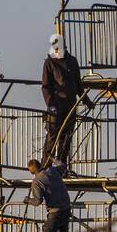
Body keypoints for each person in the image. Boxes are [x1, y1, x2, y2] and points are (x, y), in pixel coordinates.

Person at [41, 41, 93, 169]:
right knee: (52, 136)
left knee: (66, 137)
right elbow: (46, 87)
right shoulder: (50, 62)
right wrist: (50, 105)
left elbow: (78, 85)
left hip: (70, 105)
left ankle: (61, 167)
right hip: (55, 105)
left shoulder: (72, 61)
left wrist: (86, 101)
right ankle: (46, 166)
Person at [24, 158, 73, 232]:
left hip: (55, 211)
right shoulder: (52, 171)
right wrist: (53, 159)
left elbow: (37, 201)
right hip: (66, 208)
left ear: (31, 171)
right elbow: (62, 165)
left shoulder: (37, 181)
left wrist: (27, 200)